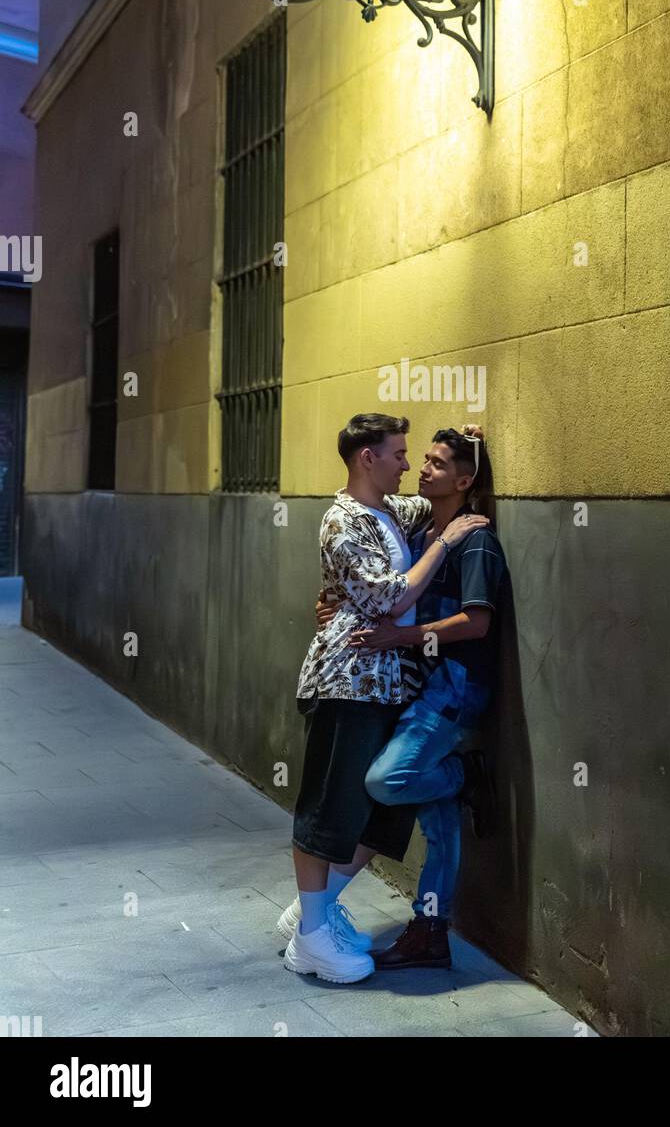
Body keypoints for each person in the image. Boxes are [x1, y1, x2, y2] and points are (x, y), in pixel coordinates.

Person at [281, 413, 488, 985]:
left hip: (388, 684)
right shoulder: (344, 520)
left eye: (416, 456)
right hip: (348, 679)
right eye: (400, 454)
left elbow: (440, 496)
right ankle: (313, 937)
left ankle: (313, 915)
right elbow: (389, 596)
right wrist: (445, 544)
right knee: (328, 807)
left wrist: (469, 441)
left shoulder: (394, 511)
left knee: (376, 808)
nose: (410, 464)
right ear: (366, 458)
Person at [354, 425, 508, 969]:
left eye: (438, 464)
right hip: (421, 687)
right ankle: (431, 930)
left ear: (464, 481)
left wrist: (401, 637)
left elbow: (476, 623)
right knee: (437, 819)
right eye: (421, 460)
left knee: (387, 780)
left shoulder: (477, 540)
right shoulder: (422, 537)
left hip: (454, 692)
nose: (423, 469)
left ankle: (466, 775)